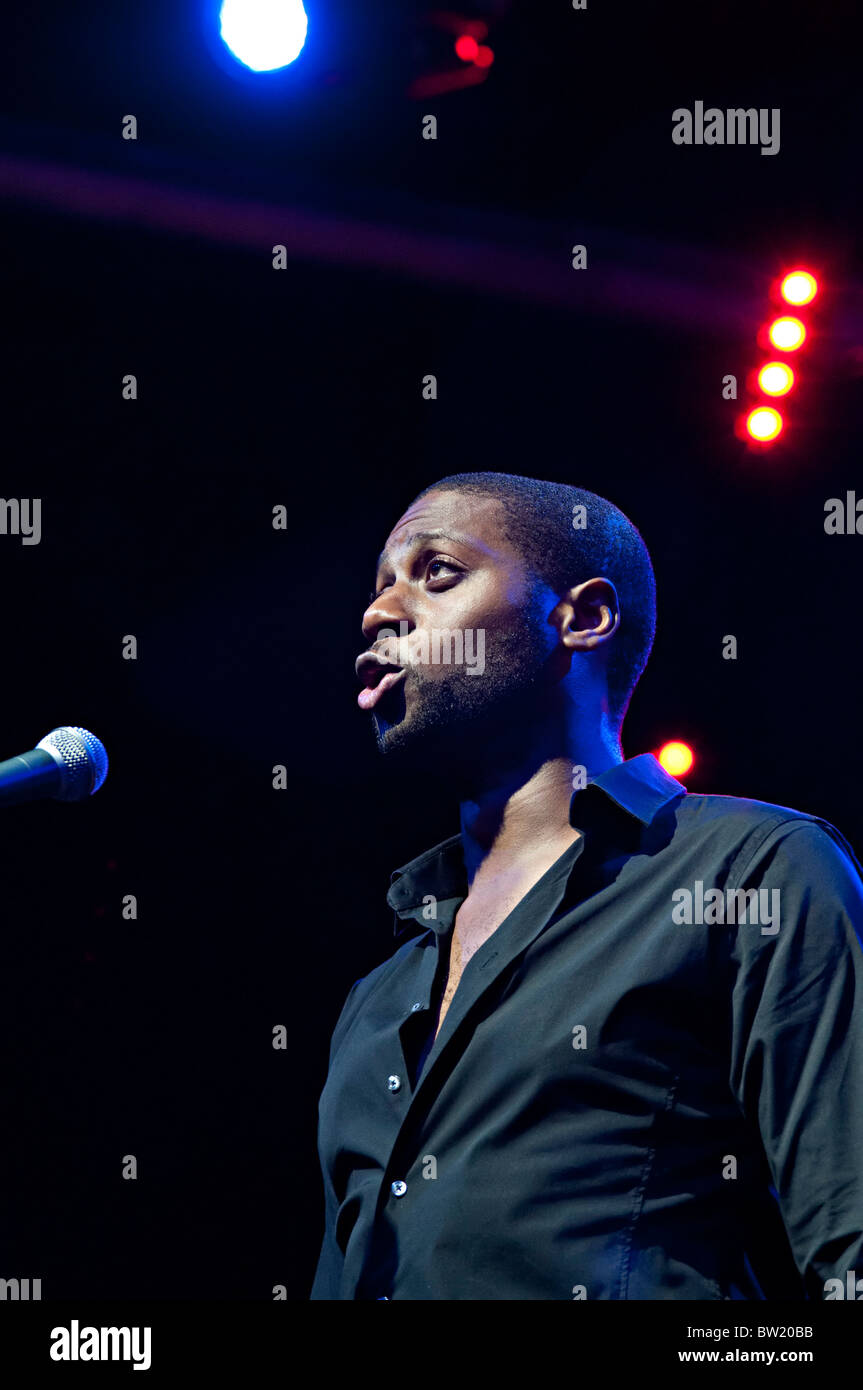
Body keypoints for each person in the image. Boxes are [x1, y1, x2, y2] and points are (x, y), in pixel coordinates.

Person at [310, 470, 863, 1301]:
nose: (380, 612)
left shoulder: (751, 869)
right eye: (381, 584)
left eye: (437, 573)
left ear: (582, 617)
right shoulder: (378, 995)